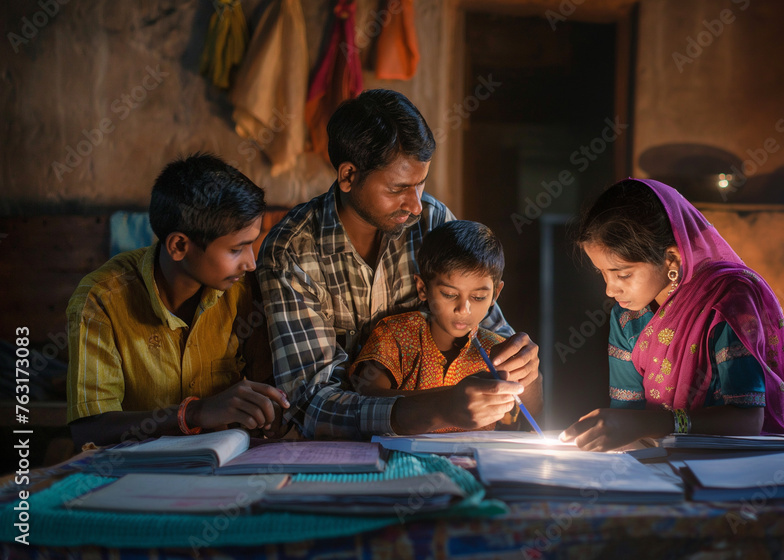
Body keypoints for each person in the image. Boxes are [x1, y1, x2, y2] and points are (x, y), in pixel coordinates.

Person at [257, 89, 541, 440]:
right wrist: (437, 409)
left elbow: (488, 331)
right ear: (348, 177)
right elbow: (312, 408)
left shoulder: (433, 223)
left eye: (421, 185)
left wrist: (518, 360)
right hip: (336, 456)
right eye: (398, 188)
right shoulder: (291, 252)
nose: (416, 205)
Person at [560, 178, 784, 452]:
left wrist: (650, 423)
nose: (610, 290)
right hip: (661, 458)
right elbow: (627, 414)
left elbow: (747, 420)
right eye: (602, 273)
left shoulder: (727, 300)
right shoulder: (627, 318)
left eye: (623, 274)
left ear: (671, 259)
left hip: (750, 458)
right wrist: (609, 430)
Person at [66, 154, 289, 448]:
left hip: (226, 467)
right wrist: (195, 413)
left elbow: (268, 390)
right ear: (180, 245)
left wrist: (272, 413)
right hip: (138, 475)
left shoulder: (244, 292)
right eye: (237, 249)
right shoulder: (102, 299)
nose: (250, 262)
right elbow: (89, 430)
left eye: (252, 245)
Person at [349, 220, 521, 430]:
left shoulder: (498, 351)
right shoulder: (396, 335)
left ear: (495, 294)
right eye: (449, 294)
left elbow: (514, 421)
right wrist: (446, 402)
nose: (463, 309)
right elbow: (366, 398)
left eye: (478, 297)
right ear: (422, 288)